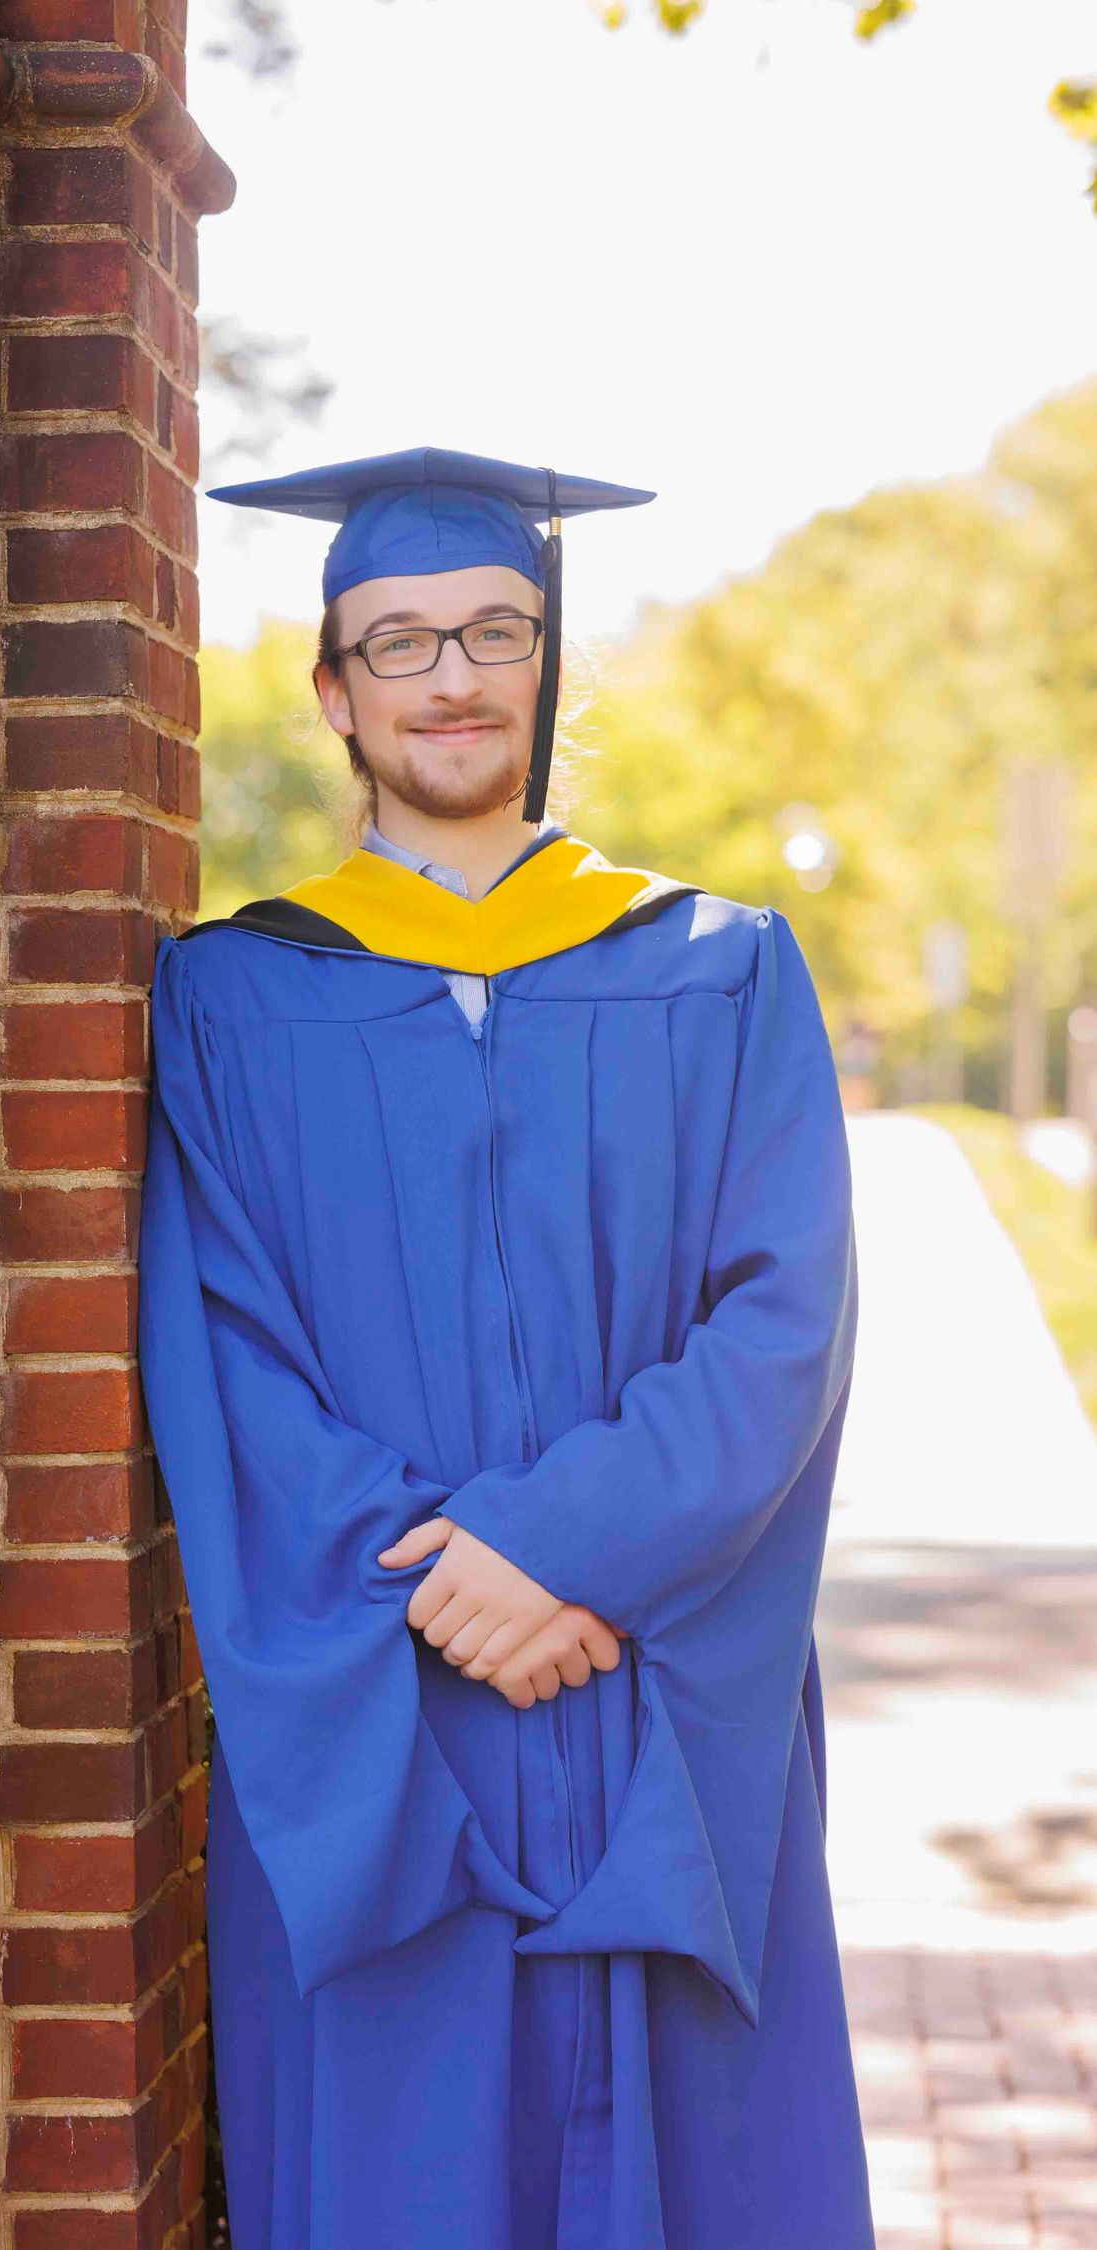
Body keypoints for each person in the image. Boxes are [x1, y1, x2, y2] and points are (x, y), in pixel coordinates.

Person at [136, 448, 876, 2250]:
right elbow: (219, 1348)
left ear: (547, 666)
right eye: (399, 643)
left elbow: (787, 1312)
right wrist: (447, 1582)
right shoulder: (233, 998)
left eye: (492, 631)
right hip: (388, 1693)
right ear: (333, 688)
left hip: (653, 1682)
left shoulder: (719, 968)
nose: (451, 675)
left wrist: (567, 1552)